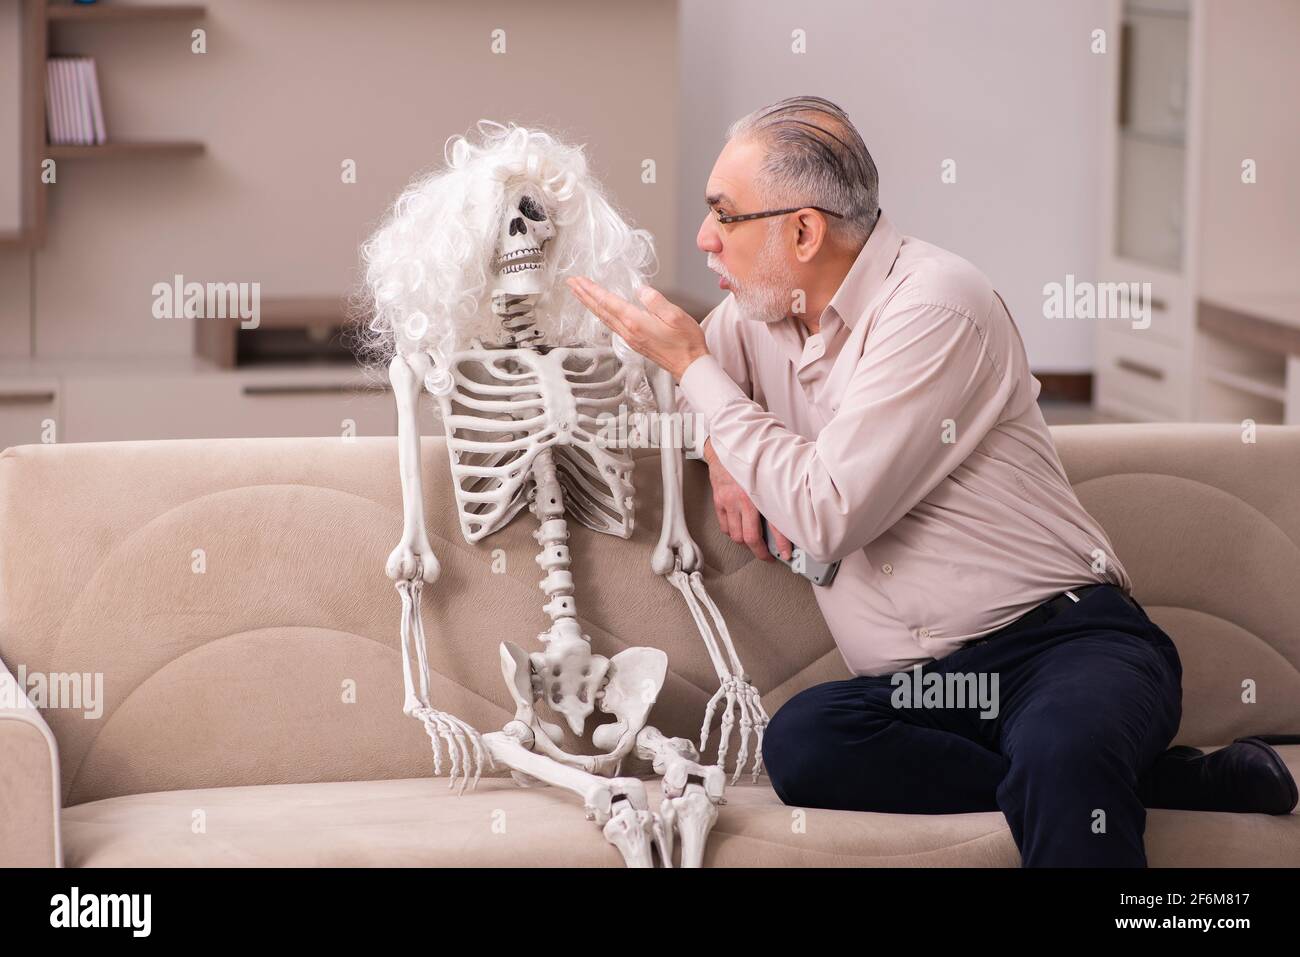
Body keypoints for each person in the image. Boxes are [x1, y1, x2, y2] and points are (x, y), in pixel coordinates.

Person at [565, 94, 1297, 867]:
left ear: (803, 231)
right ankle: (1148, 779)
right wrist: (718, 448)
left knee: (1058, 748)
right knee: (808, 740)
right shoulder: (757, 318)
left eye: (725, 214)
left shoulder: (937, 305)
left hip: (1062, 646)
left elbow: (826, 511)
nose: (705, 238)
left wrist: (697, 371)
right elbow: (673, 397)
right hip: (940, 693)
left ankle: (1090, 774)